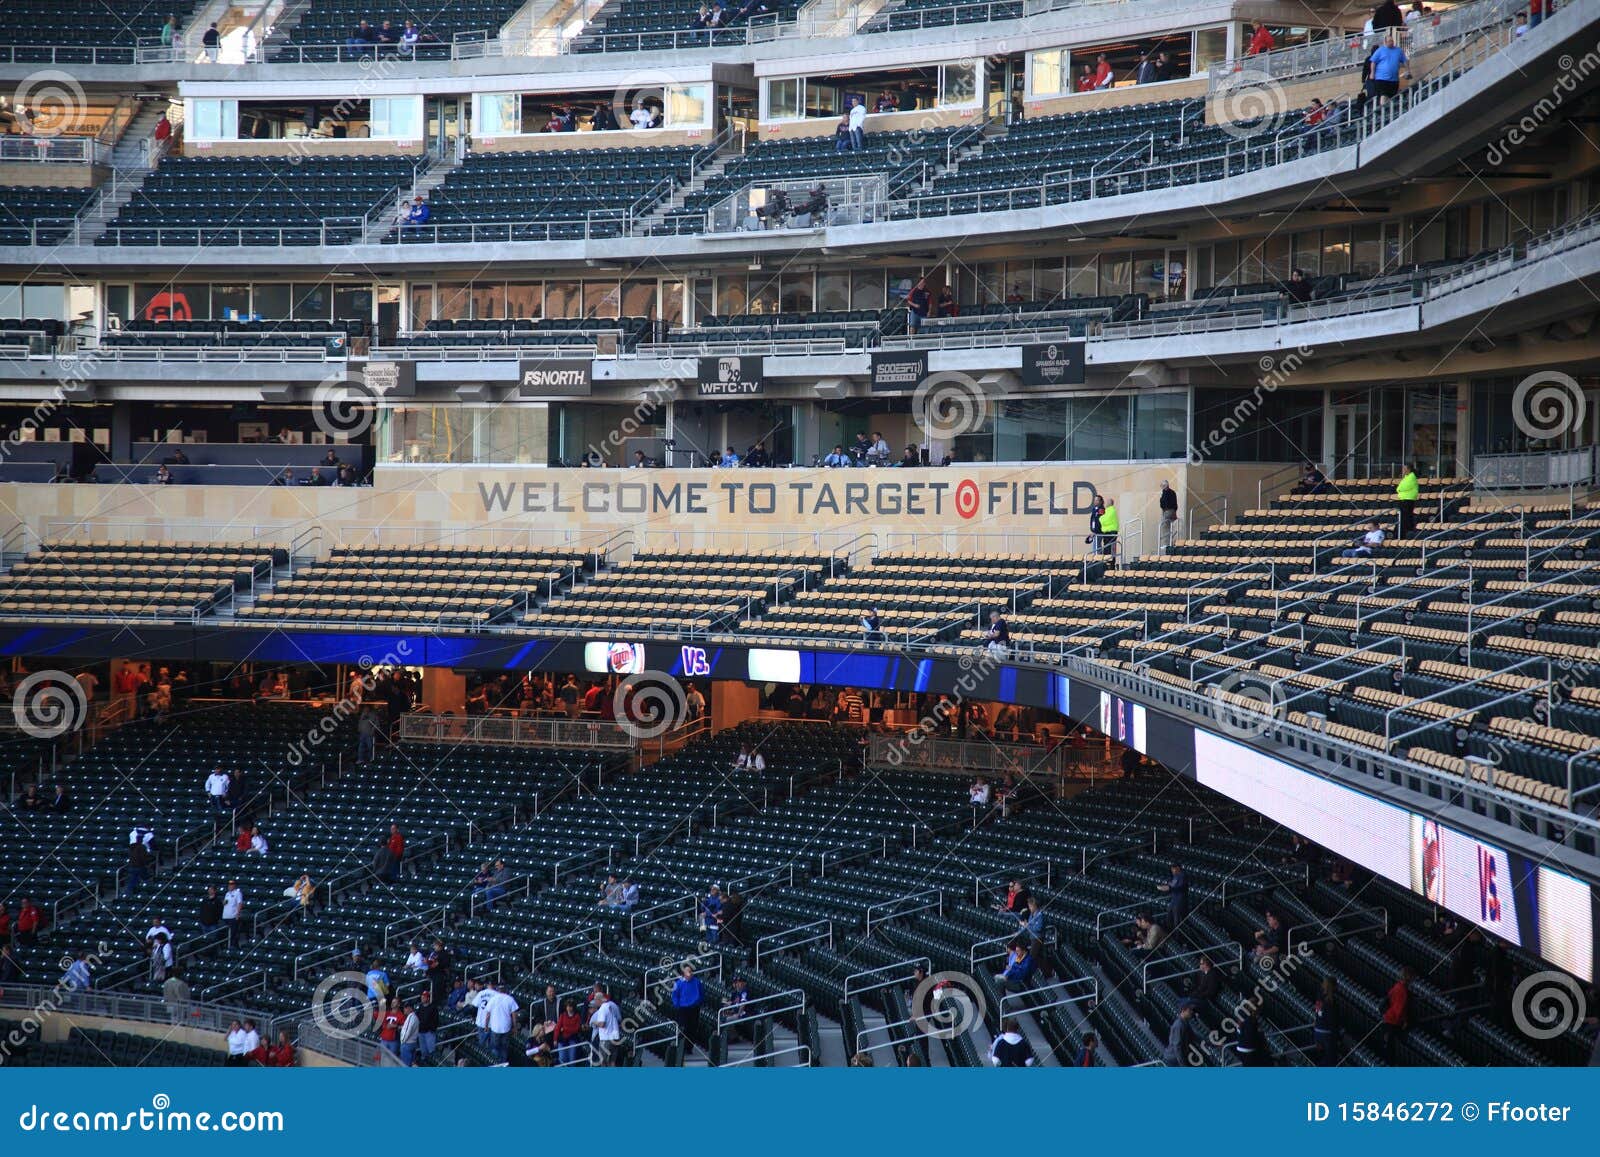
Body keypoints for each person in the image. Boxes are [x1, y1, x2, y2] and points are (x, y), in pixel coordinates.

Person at [1379, 966, 1414, 1063]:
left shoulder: (1397, 986)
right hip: (1392, 1023)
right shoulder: (1403, 991)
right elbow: (1399, 1011)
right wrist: (1405, 1021)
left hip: (1387, 1021)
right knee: (1390, 1053)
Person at [670, 963, 703, 1047]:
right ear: (684, 973)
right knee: (683, 1028)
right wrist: (677, 1005)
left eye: (690, 971)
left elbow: (701, 994)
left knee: (693, 1028)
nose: (689, 973)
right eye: (687, 971)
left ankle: (689, 1047)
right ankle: (682, 1046)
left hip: (694, 1008)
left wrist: (698, 1002)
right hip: (683, 1009)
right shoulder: (678, 983)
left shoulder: (697, 982)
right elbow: (674, 996)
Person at [1367, 33, 1407, 99]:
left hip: (1394, 79)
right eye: (1389, 41)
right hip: (1381, 78)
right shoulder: (1380, 50)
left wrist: (1407, 70)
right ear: (1385, 42)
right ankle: (1383, 105)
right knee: (1383, 95)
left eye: (1392, 41)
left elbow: (1405, 61)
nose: (1391, 42)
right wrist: (1372, 73)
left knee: (1392, 96)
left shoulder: (1398, 51)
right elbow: (1373, 62)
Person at [1312, 976, 1342, 1065]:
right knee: (1330, 1061)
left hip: (1317, 1032)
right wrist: (1338, 1037)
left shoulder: (1319, 997)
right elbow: (1332, 1021)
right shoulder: (1331, 1001)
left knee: (1321, 1060)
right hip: (1327, 1035)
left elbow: (1317, 1013)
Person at [589, 988, 622, 1065]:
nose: (595, 1002)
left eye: (595, 1000)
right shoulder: (612, 1005)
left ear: (599, 1000)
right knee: (612, 1062)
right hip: (615, 1037)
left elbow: (602, 1024)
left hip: (606, 1039)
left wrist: (594, 1022)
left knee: (603, 1063)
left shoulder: (602, 1009)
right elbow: (619, 1019)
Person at [1164, 1002, 1198, 1066]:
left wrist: (1212, 1043)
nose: (1191, 1012)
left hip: (1177, 1057)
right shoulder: (1179, 1025)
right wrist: (1182, 1065)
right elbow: (1177, 1047)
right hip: (1173, 1059)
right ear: (1183, 1011)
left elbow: (1194, 1037)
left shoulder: (1185, 1023)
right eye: (1189, 1010)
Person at [554, 999, 584, 1065]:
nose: (568, 1008)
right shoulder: (563, 1015)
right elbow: (557, 1028)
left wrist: (564, 1028)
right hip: (562, 1039)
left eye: (570, 1006)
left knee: (572, 1059)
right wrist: (555, 1039)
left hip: (573, 1039)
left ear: (573, 1007)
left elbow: (576, 1029)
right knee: (562, 1059)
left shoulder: (577, 1016)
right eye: (567, 1006)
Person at [1159, 863, 1188, 928]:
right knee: (1169, 913)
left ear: (1178, 868)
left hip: (1180, 899)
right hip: (1174, 899)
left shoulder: (1182, 876)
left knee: (1176, 918)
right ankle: (1169, 930)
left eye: (1173, 869)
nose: (1172, 871)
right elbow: (1172, 885)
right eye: (1172, 869)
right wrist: (1167, 886)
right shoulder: (1175, 876)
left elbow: (1180, 887)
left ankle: (1177, 932)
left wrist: (1169, 888)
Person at [1395, 463, 1419, 537]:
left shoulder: (1412, 477)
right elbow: (1399, 487)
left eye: (1404, 469)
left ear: (1408, 469)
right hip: (1403, 500)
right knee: (1403, 517)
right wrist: (1399, 489)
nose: (1403, 470)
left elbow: (1403, 487)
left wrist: (1399, 489)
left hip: (1408, 500)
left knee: (1407, 517)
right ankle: (1402, 532)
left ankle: (1407, 532)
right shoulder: (1406, 477)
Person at [1158, 480, 1179, 549]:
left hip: (1167, 511)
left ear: (1165, 486)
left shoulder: (1166, 492)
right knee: (1170, 527)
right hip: (1172, 511)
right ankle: (1171, 542)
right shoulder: (1172, 492)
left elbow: (1164, 503)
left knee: (1165, 527)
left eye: (1162, 486)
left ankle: (1167, 544)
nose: (1161, 487)